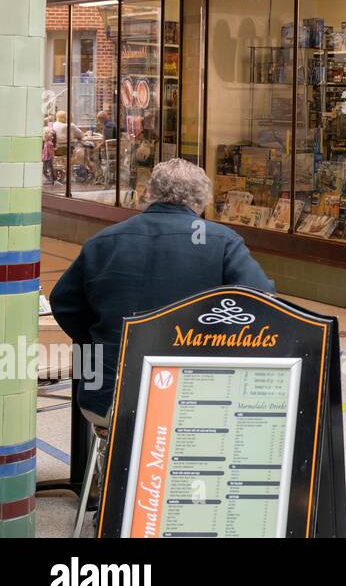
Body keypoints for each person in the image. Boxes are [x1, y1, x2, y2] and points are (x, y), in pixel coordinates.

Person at [50, 158, 274, 428]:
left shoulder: (104, 240)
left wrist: (100, 335)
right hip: (196, 396)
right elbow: (260, 301)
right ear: (202, 200)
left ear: (149, 193)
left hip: (108, 397)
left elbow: (64, 302)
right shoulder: (222, 241)